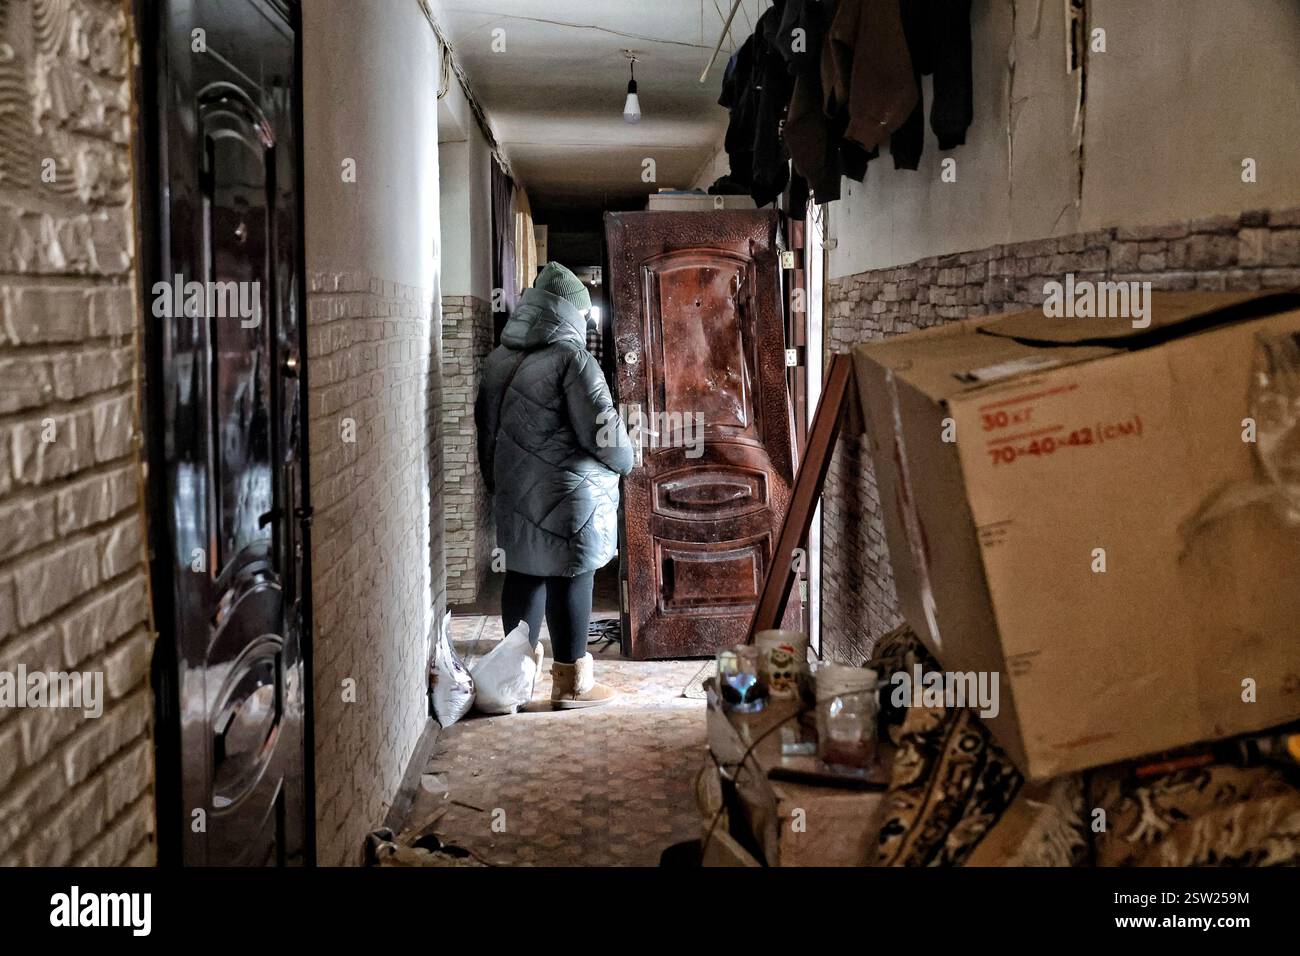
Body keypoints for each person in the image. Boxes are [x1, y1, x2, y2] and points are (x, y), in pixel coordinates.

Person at [475, 261, 633, 709]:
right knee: (572, 577)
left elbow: (485, 431)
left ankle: (511, 688)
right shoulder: (573, 359)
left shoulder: (497, 359)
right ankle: (571, 686)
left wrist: (497, 483)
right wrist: (629, 457)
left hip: (514, 491)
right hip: (568, 497)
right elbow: (605, 436)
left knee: (523, 575)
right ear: (571, 313)